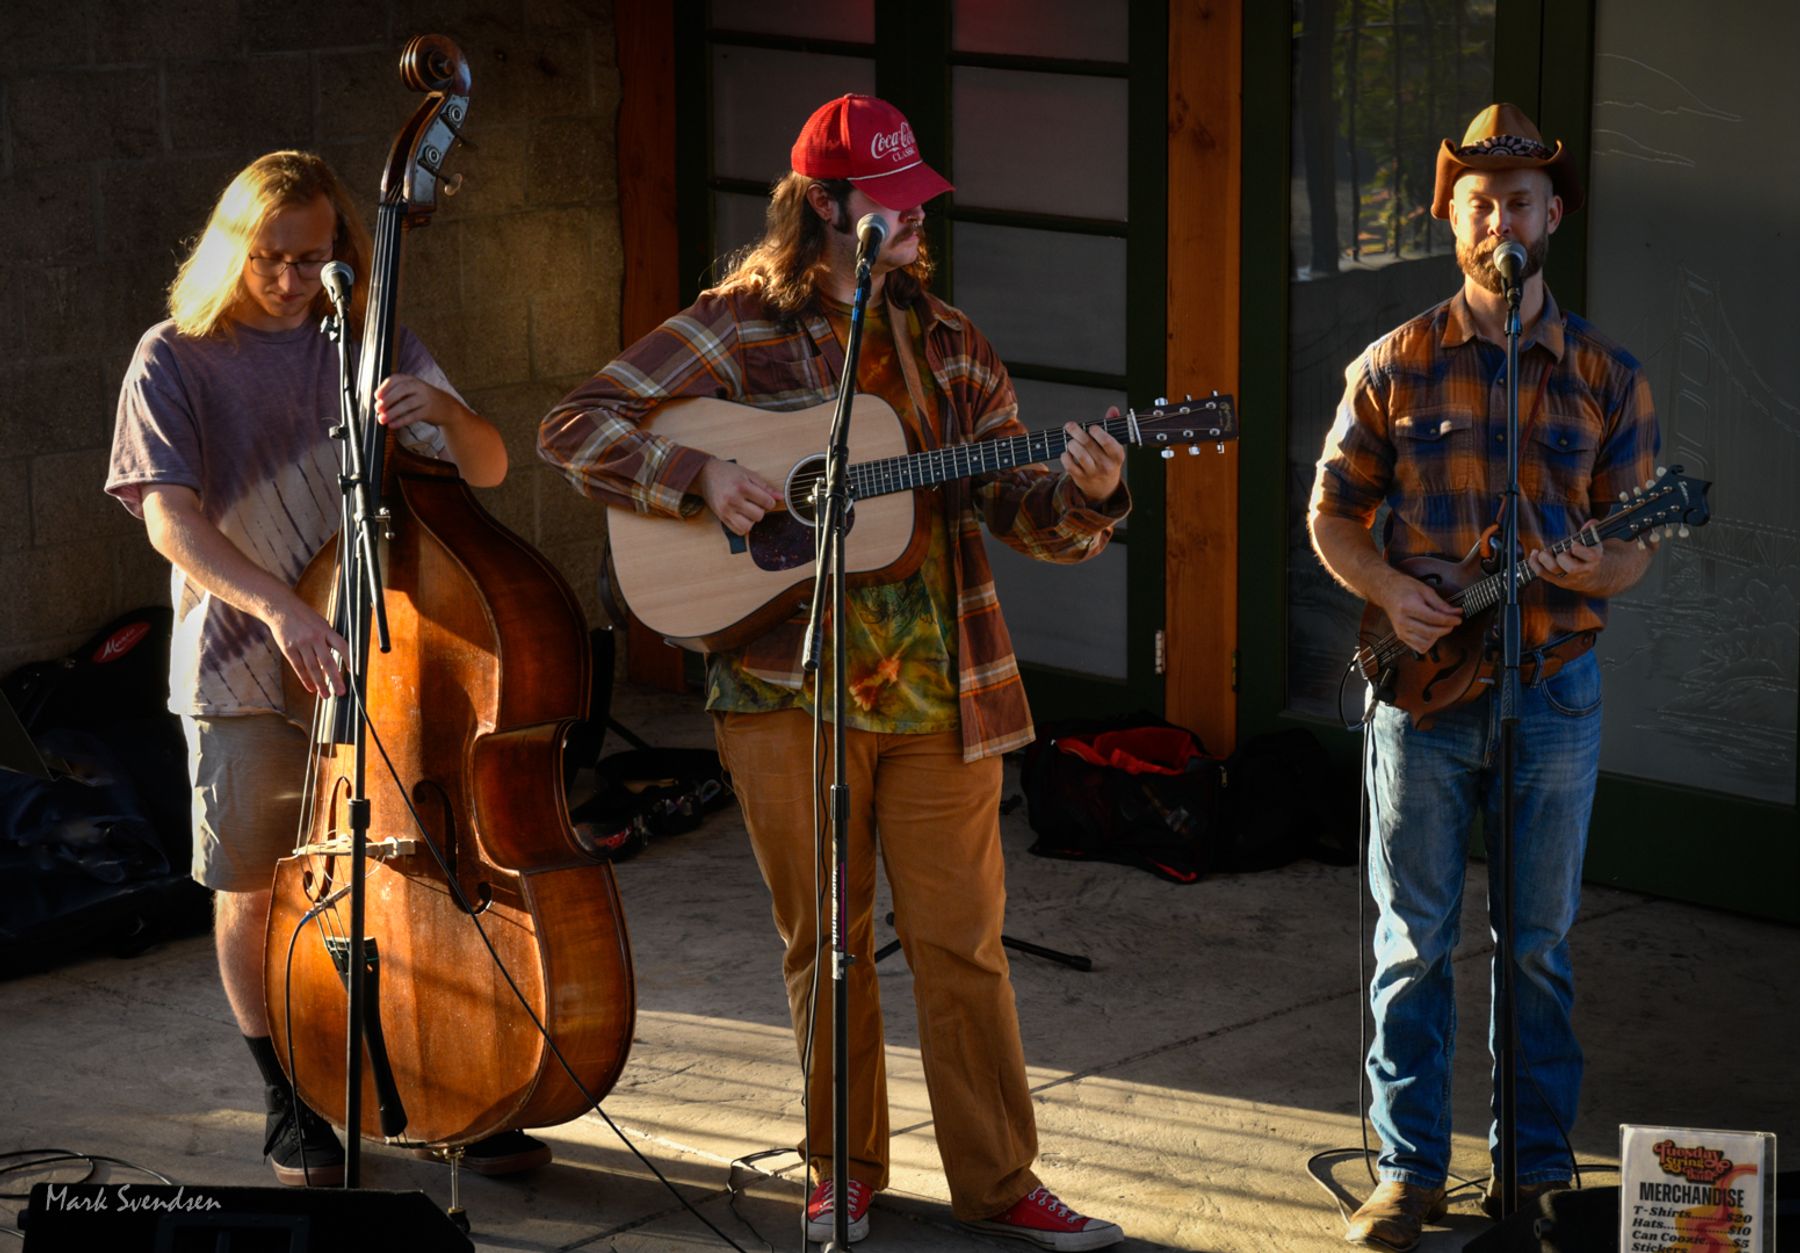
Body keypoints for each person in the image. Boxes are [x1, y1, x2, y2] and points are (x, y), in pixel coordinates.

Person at [539, 95, 1127, 1250]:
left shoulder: (949, 339)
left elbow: (1023, 508)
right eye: (895, 203)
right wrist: (699, 474)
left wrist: (1090, 497)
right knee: (829, 943)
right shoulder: (735, 325)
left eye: (919, 202)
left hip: (942, 693)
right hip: (782, 692)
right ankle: (839, 1170)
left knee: (963, 946)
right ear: (826, 204)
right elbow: (575, 423)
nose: (917, 221)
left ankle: (1002, 1179)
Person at [103, 150, 554, 1186]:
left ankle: (443, 1084)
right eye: (273, 259)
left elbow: (486, 464)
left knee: (414, 881)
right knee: (256, 887)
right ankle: (286, 1096)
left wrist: (440, 414)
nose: (294, 281)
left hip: (382, 665)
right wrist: (281, 608)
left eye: (315, 260)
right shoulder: (172, 356)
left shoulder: (369, 338)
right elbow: (169, 518)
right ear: (233, 248)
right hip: (243, 665)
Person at [1308, 104, 1661, 1250]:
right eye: (1480, 202)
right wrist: (1390, 587)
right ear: (1449, 219)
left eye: (1519, 201)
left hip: (1553, 688)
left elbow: (1635, 545)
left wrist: (1584, 559)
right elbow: (1331, 513)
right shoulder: (1394, 363)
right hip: (1420, 695)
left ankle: (1538, 1176)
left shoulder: (1611, 375)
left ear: (1550, 216)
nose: (1499, 219)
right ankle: (1407, 1169)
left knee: (1539, 945)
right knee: (1414, 941)